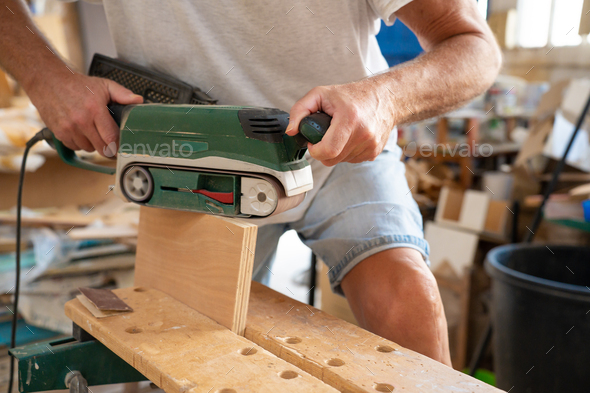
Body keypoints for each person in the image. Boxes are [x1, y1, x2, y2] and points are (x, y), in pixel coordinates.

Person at [0, 0, 501, 366]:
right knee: (188, 350)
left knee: (408, 305)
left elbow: (474, 47)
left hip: (338, 145)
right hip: (196, 158)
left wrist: (384, 100)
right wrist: (47, 79)